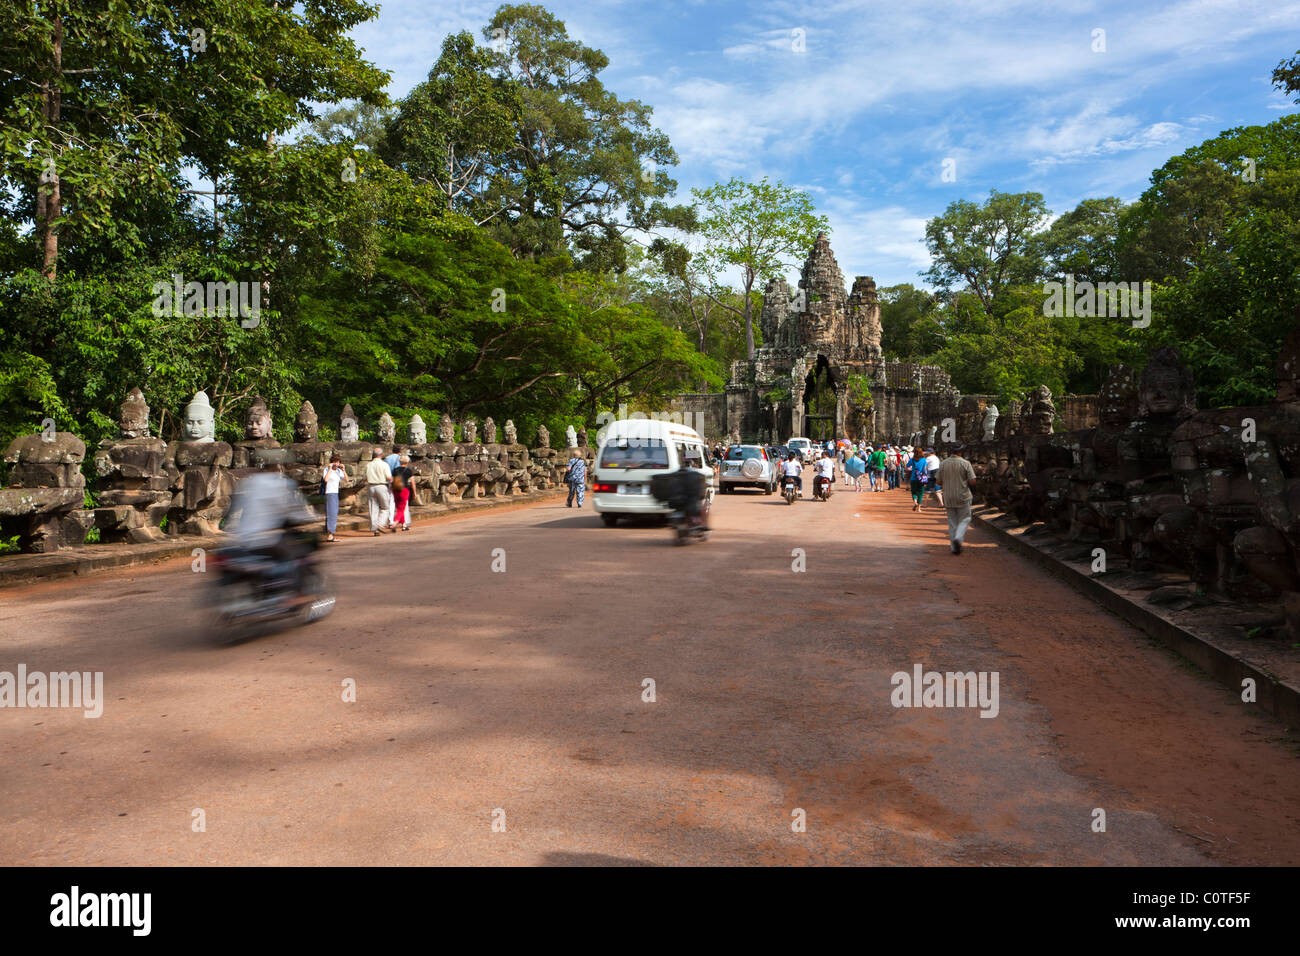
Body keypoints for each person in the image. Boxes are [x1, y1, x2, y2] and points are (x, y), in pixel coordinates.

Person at [225, 457, 318, 598]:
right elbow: (288, 509)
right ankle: (295, 595)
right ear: (277, 468)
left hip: (242, 536)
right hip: (264, 536)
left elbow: (236, 506)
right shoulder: (275, 484)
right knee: (294, 555)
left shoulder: (249, 482)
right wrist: (309, 517)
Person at [936, 444, 978, 554]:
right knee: (965, 519)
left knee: (952, 521)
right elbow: (973, 481)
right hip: (963, 496)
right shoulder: (965, 463)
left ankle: (954, 547)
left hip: (948, 496)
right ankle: (958, 539)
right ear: (961, 451)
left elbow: (938, 481)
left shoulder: (943, 463)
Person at [365, 447, 394, 535]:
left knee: (373, 508)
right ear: (381, 455)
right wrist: (392, 482)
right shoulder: (384, 464)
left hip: (371, 486)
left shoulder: (368, 465)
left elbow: (364, 478)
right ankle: (380, 524)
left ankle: (375, 528)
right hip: (381, 486)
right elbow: (388, 477)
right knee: (385, 507)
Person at [322, 453, 348, 542]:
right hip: (329, 493)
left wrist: (344, 470)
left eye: (338, 462)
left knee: (334, 513)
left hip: (335, 493)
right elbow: (325, 480)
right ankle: (330, 535)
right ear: (331, 462)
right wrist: (329, 469)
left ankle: (331, 534)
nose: (336, 464)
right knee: (331, 513)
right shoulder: (326, 470)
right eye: (335, 462)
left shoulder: (338, 471)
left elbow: (346, 480)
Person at [391, 455, 416, 530]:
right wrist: (414, 492)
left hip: (396, 489)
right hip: (404, 489)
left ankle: (404, 524)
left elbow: (392, 480)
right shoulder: (408, 470)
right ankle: (395, 522)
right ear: (407, 462)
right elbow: (412, 482)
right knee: (401, 508)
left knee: (399, 507)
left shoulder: (395, 470)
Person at [908, 445, 930, 511]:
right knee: (920, 493)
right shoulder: (923, 460)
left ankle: (915, 502)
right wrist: (925, 477)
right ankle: (919, 508)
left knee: (913, 492)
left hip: (913, 478)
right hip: (921, 479)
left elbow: (907, 466)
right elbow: (925, 469)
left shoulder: (912, 460)